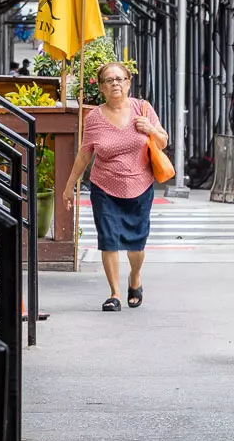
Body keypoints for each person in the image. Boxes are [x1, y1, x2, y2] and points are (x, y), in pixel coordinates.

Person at [69, 61, 165, 311]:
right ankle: (115, 293)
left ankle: (135, 277)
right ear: (101, 87)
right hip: (105, 186)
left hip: (140, 185)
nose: (115, 84)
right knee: (108, 239)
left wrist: (151, 129)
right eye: (109, 80)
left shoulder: (142, 109)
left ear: (129, 83)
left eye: (120, 79)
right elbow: (84, 153)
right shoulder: (94, 118)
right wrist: (70, 185)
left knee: (136, 244)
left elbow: (163, 142)